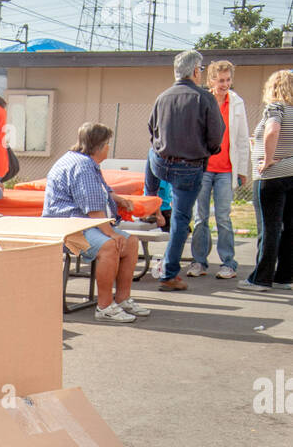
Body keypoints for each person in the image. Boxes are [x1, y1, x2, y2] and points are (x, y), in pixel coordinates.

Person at [44, 121, 150, 324]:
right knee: (110, 246)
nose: (109, 147)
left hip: (81, 223)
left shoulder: (83, 161)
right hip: (69, 227)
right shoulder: (83, 166)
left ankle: (123, 298)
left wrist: (117, 199)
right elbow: (93, 209)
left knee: (132, 243)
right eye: (108, 143)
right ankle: (104, 306)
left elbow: (101, 189)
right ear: (100, 146)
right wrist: (111, 233)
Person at [145, 50, 224, 291]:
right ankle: (169, 274)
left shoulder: (163, 96)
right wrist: (206, 152)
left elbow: (152, 129)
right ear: (195, 71)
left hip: (162, 163)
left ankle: (150, 200)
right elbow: (216, 135)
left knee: (150, 154)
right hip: (189, 167)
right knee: (180, 219)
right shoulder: (204, 98)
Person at [187, 60, 250, 279]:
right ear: (210, 80)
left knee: (223, 217)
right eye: (220, 80)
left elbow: (242, 138)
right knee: (200, 217)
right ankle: (199, 262)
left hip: (226, 169)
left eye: (228, 80)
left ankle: (228, 263)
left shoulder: (237, 103)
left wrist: (242, 169)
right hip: (204, 167)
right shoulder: (201, 100)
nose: (225, 84)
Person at [239, 70, 293, 294]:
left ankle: (261, 278)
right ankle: (284, 275)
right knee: (289, 227)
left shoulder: (276, 107)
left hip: (271, 177)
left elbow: (272, 130)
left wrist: (268, 158)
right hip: (291, 173)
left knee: (269, 228)